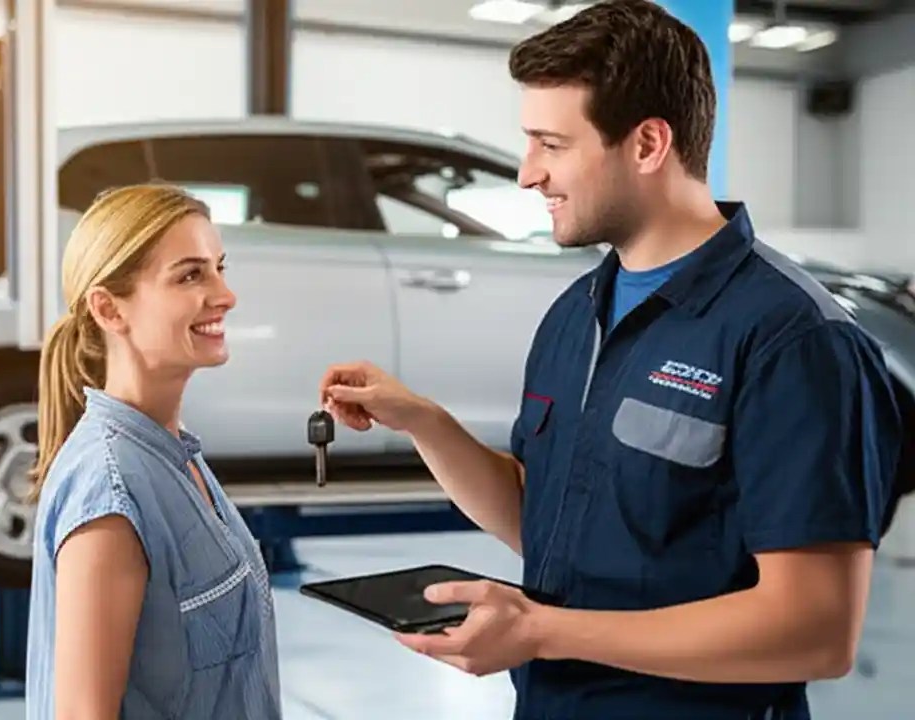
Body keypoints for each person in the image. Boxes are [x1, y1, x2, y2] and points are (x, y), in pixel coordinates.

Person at [319, 1, 902, 719]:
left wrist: (541, 632)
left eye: (551, 145)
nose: (528, 174)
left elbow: (814, 631)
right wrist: (423, 421)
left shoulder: (793, 339)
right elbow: (542, 520)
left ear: (649, 144)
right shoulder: (577, 311)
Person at [24, 184, 281, 719]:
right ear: (108, 309)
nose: (225, 295)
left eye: (219, 267)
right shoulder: (111, 493)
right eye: (190, 275)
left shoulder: (175, 457)